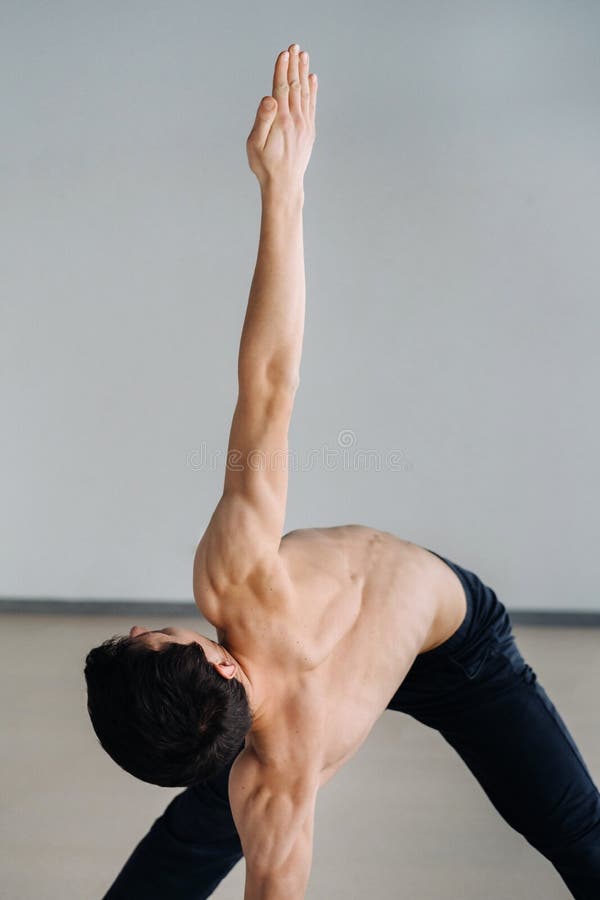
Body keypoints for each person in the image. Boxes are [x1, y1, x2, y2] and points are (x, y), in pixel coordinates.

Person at [85, 42, 600, 900]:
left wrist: (284, 190)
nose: (152, 624)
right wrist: (282, 189)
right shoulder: (238, 583)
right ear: (214, 664)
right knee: (580, 828)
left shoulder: (266, 781)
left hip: (448, 648)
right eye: (155, 635)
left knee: (572, 827)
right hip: (459, 649)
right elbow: (271, 381)